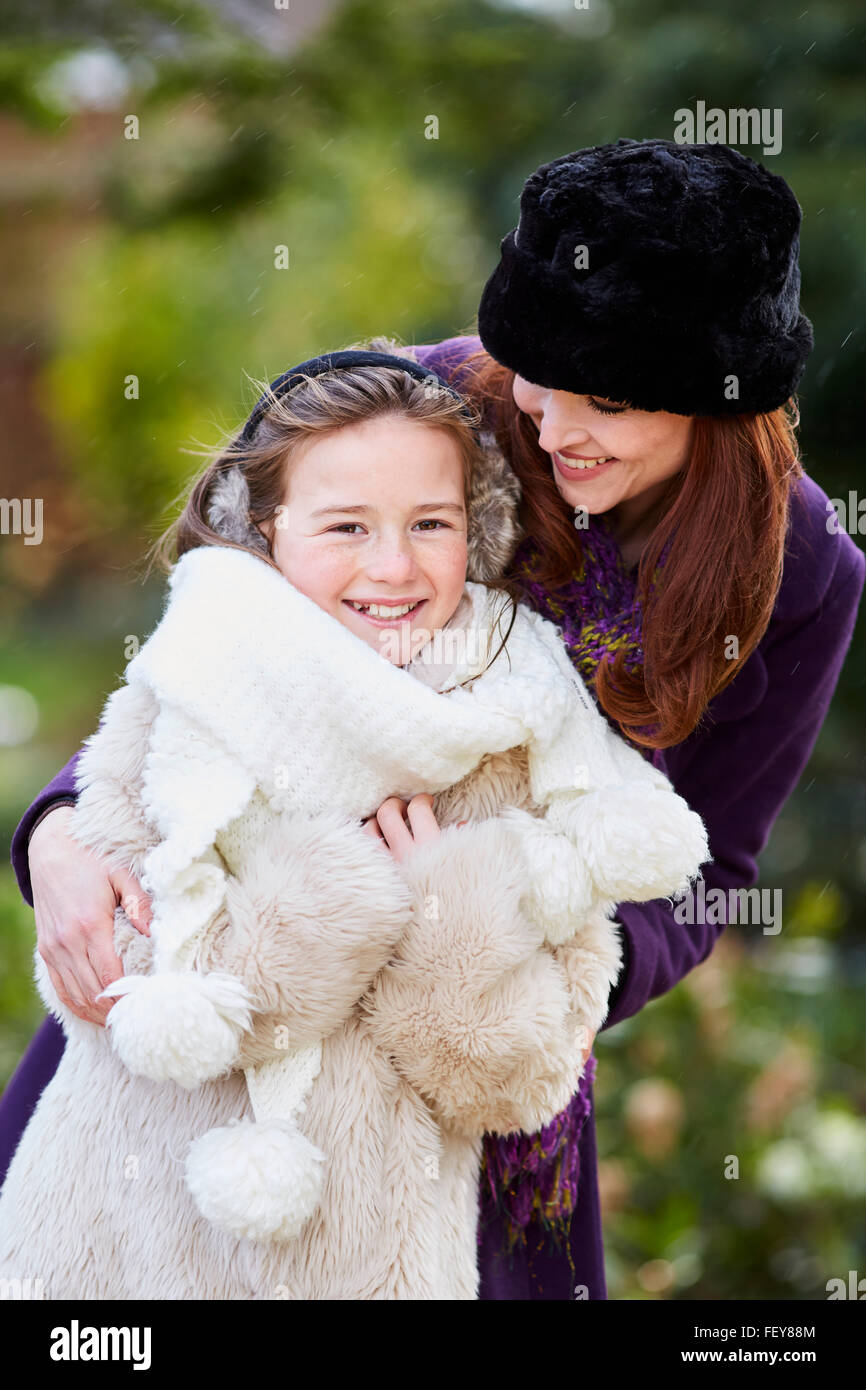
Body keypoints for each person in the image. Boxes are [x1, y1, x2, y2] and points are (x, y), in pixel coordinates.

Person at [2, 138, 864, 1300]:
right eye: (535, 375)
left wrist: (500, 957)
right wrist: (56, 835)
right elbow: (199, 672)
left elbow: (704, 871)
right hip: (217, 995)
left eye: (605, 399)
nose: (554, 425)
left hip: (468, 1071)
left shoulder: (798, 569)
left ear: (725, 397)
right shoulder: (402, 413)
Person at [0, 343, 708, 1298]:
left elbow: (521, 1077)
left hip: (373, 1262)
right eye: (344, 526)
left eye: (431, 522)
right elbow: (139, 994)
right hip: (131, 1242)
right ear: (267, 529)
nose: (393, 565)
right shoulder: (193, 689)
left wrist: (444, 911)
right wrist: (343, 897)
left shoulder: (514, 739)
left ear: (479, 528)